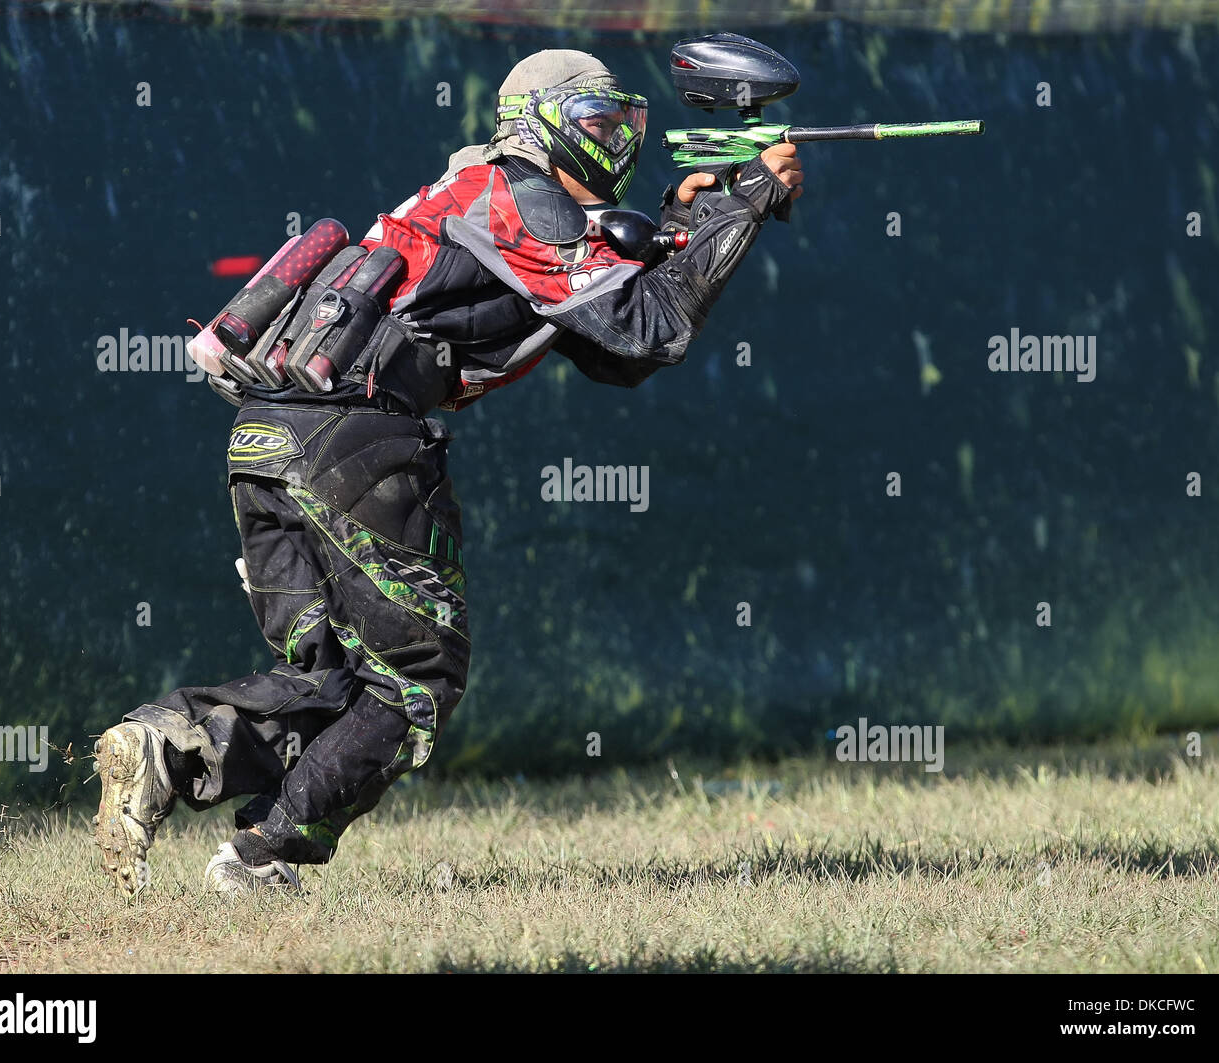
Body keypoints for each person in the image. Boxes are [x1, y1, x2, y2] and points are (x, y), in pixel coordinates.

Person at [92, 48, 803, 897]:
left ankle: (164, 746)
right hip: (352, 439)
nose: (616, 141)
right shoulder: (525, 199)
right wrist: (749, 201)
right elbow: (649, 329)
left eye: (624, 124)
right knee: (418, 679)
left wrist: (691, 222)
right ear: (543, 128)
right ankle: (262, 857)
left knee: (333, 674)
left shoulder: (485, 197)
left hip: (267, 436)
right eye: (597, 124)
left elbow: (615, 349)